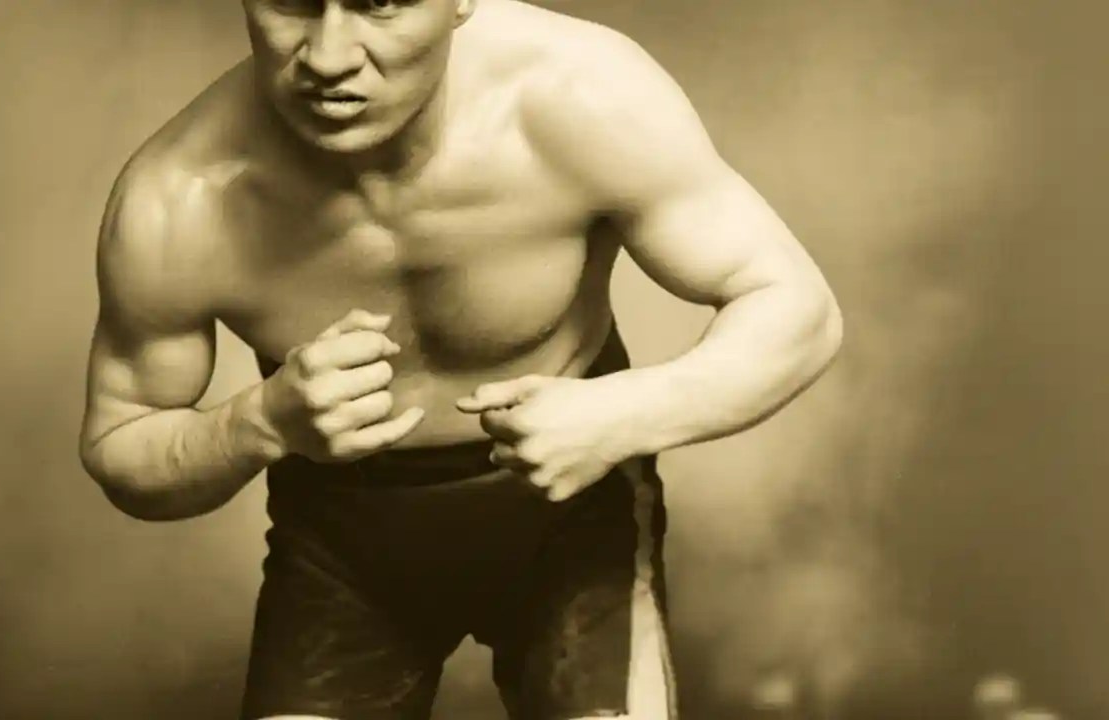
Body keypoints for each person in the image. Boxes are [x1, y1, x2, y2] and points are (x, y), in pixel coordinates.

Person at [77, 1, 843, 718]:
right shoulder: (181, 198)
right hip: (342, 550)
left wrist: (619, 415)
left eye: (381, 1)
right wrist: (256, 424)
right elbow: (121, 444)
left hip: (573, 527)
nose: (329, 56)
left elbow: (798, 310)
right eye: (293, 0)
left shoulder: (578, 97)